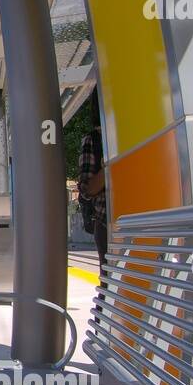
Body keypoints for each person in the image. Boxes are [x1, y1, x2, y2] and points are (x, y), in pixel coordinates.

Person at [78, 99, 107, 291]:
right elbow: (87, 190)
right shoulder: (94, 140)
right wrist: (108, 165)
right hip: (107, 222)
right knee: (110, 280)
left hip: (140, 219)